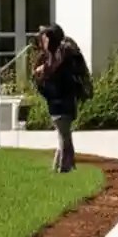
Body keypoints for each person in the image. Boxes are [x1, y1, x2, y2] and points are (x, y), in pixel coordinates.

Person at [32, 23, 89, 173]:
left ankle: (64, 167)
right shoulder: (57, 57)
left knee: (64, 136)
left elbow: (54, 71)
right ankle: (64, 165)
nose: (42, 42)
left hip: (62, 102)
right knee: (64, 136)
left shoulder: (61, 57)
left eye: (44, 38)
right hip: (59, 102)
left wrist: (42, 71)